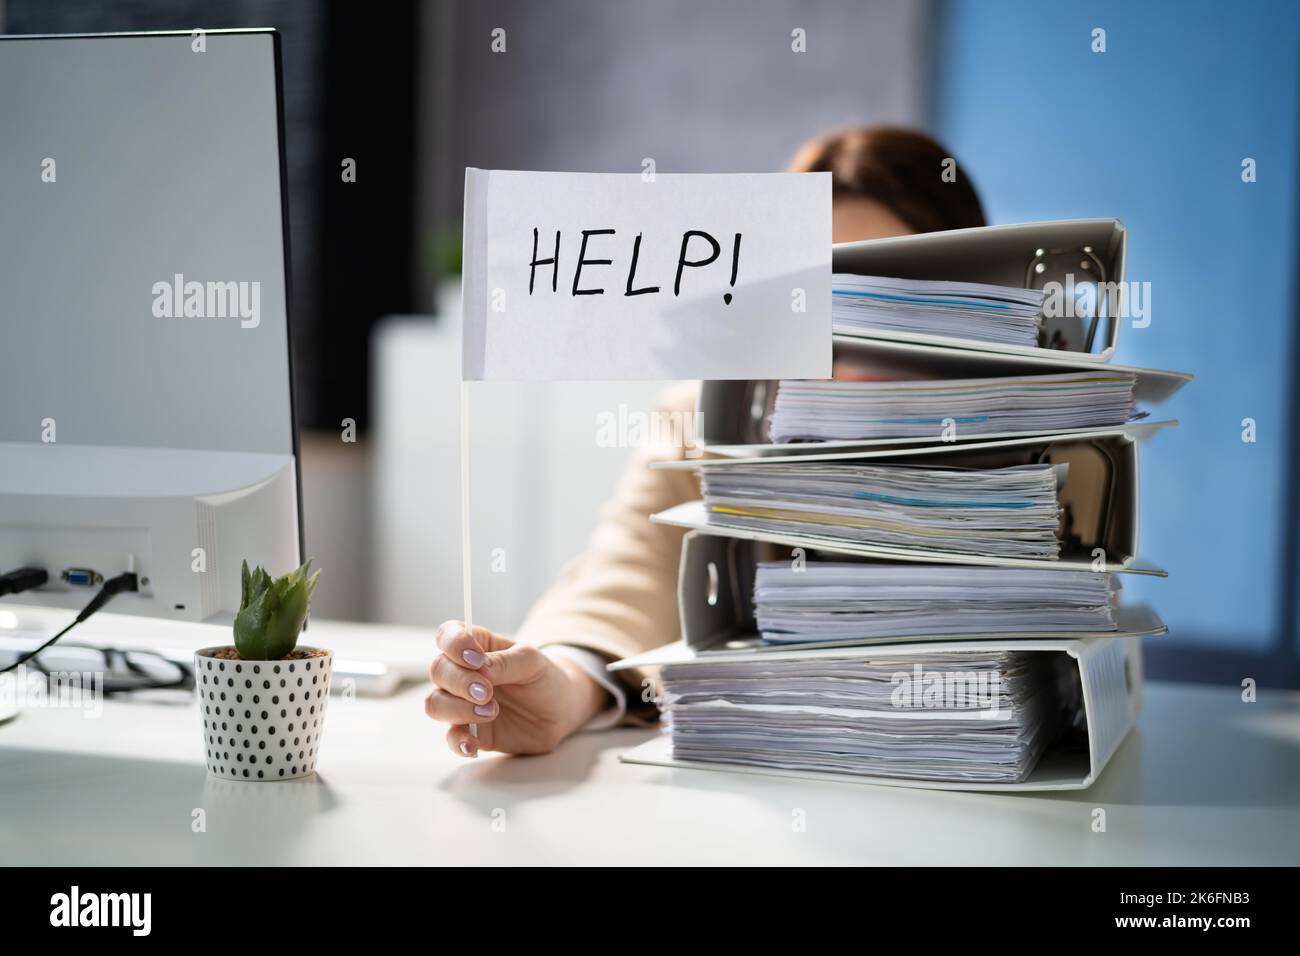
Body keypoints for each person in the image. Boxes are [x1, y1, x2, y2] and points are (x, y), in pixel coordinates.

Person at [425, 126, 987, 758]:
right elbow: (633, 569)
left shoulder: (1066, 435)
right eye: (822, 291)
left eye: (888, 287)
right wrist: (565, 686)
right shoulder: (702, 419)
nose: (850, 326)